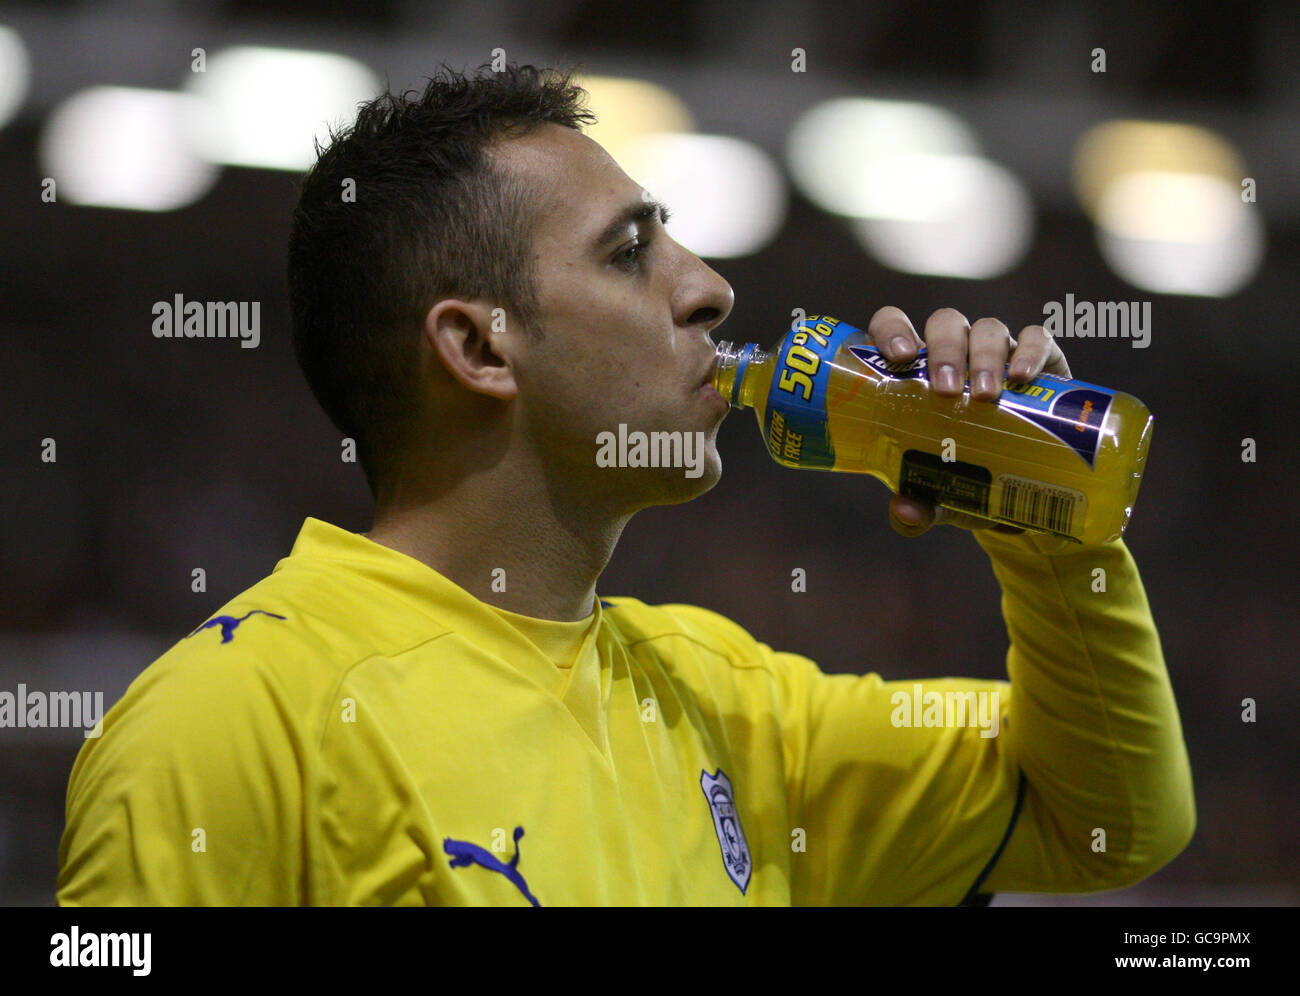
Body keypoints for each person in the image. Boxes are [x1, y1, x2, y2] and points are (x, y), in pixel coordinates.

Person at [56, 64, 1194, 906]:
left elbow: (1104, 822)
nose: (707, 288)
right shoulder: (227, 727)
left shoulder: (727, 700)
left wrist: (1039, 523)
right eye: (627, 251)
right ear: (481, 350)